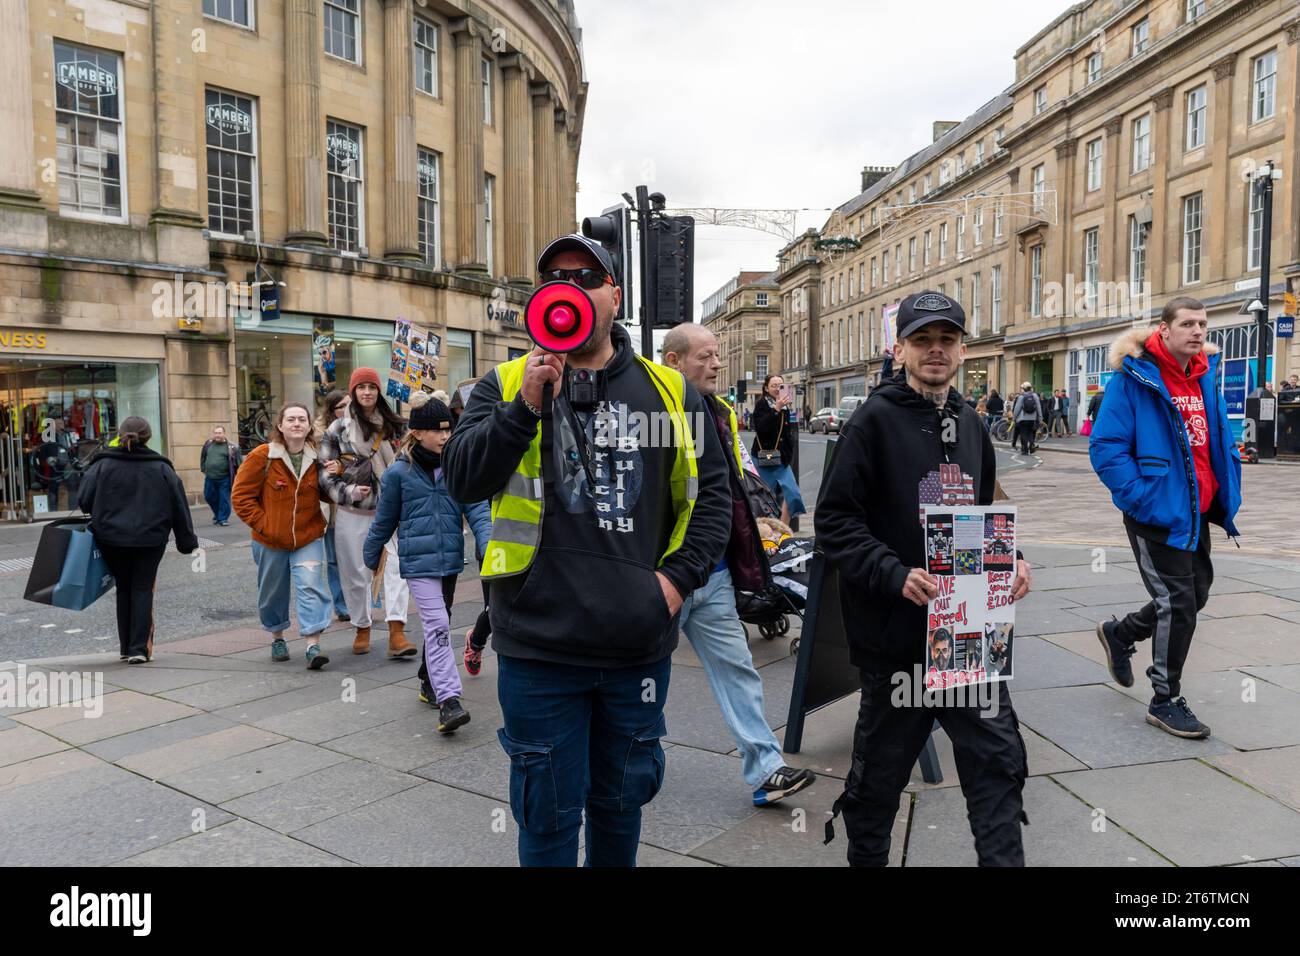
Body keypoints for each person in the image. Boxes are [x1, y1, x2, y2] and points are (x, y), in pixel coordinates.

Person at [443, 232, 731, 867]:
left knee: (620, 807)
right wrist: (524, 407)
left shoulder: (673, 392)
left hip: (636, 646)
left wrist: (673, 586)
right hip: (538, 644)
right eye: (555, 279)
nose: (568, 290)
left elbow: (714, 499)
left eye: (585, 278)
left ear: (614, 296)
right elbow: (462, 478)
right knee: (545, 818)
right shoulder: (503, 383)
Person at [815, 289, 1033, 867]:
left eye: (946, 340)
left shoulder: (969, 421)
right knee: (877, 782)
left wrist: (1012, 559)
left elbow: (986, 506)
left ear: (963, 349)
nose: (935, 351)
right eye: (922, 340)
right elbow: (834, 521)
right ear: (901, 348)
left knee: (998, 769)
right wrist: (891, 572)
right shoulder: (871, 422)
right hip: (899, 640)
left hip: (968, 638)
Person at [661, 323, 818, 806]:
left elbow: (739, 479)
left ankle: (767, 769)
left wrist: (765, 519)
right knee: (638, 684)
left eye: (716, 357)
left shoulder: (722, 410)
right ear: (673, 362)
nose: (715, 365)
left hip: (713, 574)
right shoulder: (647, 412)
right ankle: (617, 773)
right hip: (662, 579)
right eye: (704, 357)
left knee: (738, 670)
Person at [1090, 296, 1241, 739]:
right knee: (1178, 605)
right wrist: (1141, 498)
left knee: (1195, 596)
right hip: (1156, 512)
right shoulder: (1134, 378)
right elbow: (1107, 448)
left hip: (1196, 511)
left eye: (1203, 324)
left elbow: (1214, 437)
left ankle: (1120, 634)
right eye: (1188, 324)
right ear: (1164, 328)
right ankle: (1164, 698)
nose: (1198, 332)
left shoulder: (1204, 376)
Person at [364, 391, 491, 732]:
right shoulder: (397, 474)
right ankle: (448, 700)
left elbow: (477, 508)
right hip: (418, 564)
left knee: (440, 623)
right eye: (438, 430)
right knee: (437, 625)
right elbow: (384, 519)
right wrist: (371, 551)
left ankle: (427, 680)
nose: (446, 436)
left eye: (449, 429)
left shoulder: (456, 467)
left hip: (449, 561)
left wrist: (487, 541)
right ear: (418, 432)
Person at [77, 416, 198, 664]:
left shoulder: (102, 465)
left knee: (124, 587)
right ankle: (138, 648)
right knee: (142, 588)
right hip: (150, 540)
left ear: (120, 434)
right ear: (149, 437)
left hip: (111, 538)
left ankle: (126, 646)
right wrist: (186, 541)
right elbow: (178, 505)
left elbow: (84, 500)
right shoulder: (162, 467)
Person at [319, 368, 417, 659]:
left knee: (397, 570)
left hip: (392, 510)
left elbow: (411, 462)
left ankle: (397, 632)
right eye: (360, 387)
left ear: (378, 391)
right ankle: (362, 627)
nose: (367, 392)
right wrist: (349, 492)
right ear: (353, 392)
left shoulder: (396, 426)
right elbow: (325, 475)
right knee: (355, 573)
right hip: (352, 511)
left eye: (371, 387)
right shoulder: (338, 429)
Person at [231, 403, 335, 669]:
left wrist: (338, 474)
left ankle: (313, 645)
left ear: (310, 426)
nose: (297, 423)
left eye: (302, 419)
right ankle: (277, 637)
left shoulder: (318, 458)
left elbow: (326, 493)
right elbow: (241, 498)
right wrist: (265, 525)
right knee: (272, 591)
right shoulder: (261, 456)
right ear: (280, 426)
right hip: (269, 540)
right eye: (291, 419)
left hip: (307, 537)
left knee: (311, 585)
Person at [313, 390, 351, 622]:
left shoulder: (360, 428)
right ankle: (342, 604)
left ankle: (363, 600)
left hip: (358, 501)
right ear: (332, 410)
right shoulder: (319, 436)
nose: (348, 410)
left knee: (359, 555)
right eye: (343, 406)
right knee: (335, 558)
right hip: (331, 504)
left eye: (350, 405)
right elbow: (321, 471)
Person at [751, 374, 805, 526]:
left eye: (780, 385)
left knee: (792, 495)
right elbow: (760, 428)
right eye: (773, 385)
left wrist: (789, 451)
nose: (777, 388)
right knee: (766, 499)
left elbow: (787, 432)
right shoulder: (762, 404)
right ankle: (767, 531)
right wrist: (776, 409)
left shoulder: (786, 406)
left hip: (781, 459)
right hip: (764, 459)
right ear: (766, 388)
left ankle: (783, 530)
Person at [199, 425, 242, 526]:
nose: (217, 435)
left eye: (219, 433)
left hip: (225, 478)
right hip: (210, 477)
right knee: (209, 497)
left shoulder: (232, 447)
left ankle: (222, 519)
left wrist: (239, 476)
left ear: (224, 434)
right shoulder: (208, 444)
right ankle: (218, 514)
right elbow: (203, 457)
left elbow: (239, 463)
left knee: (224, 499)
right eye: (215, 433)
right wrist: (203, 468)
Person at [1011, 382, 1041, 455]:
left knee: (1023, 434)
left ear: (1023, 389)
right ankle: (1031, 445)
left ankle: (1024, 450)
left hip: (1023, 419)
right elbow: (1038, 407)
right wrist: (1040, 417)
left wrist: (1014, 418)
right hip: (1032, 419)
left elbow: (1017, 409)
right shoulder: (1035, 396)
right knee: (1031, 432)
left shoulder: (1021, 397)